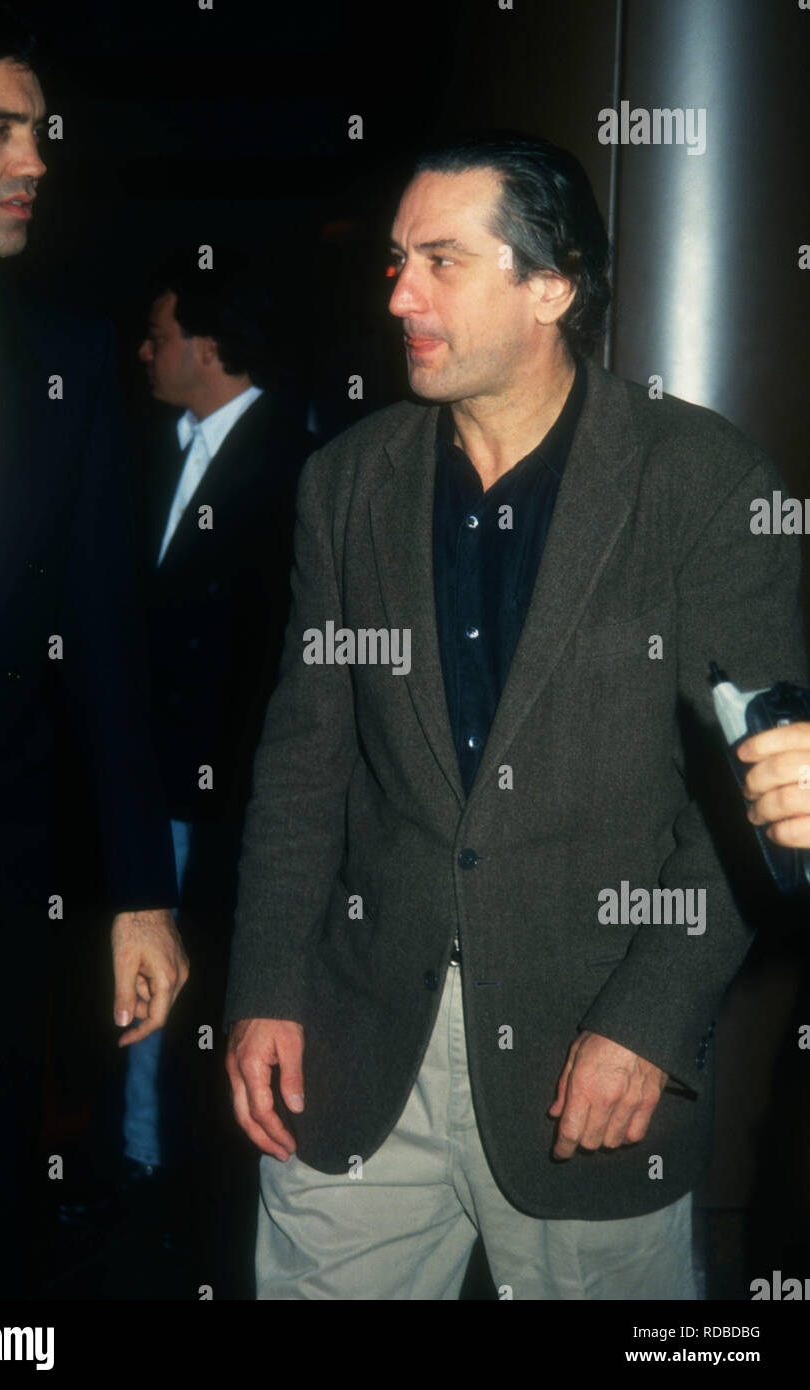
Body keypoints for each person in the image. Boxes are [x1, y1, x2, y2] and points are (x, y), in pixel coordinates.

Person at [223, 132, 808, 1300]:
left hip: (590, 1058)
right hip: (356, 1042)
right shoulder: (347, 483)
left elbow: (754, 795)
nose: (398, 294)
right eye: (396, 260)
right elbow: (304, 765)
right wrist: (264, 988)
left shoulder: (702, 480)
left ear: (551, 286)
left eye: (440, 261)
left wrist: (648, 1016)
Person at [0, 1, 188, 1296]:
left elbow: (108, 652)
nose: (34, 159)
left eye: (38, 129)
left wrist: (140, 889)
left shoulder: (67, 362)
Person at [110, 257, 311, 1185]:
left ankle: (187, 1179)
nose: (144, 351)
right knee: (138, 989)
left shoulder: (303, 458)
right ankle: (138, 1162)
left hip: (234, 800)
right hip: (144, 788)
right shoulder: (143, 448)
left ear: (205, 343)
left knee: (212, 992)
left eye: (158, 334)